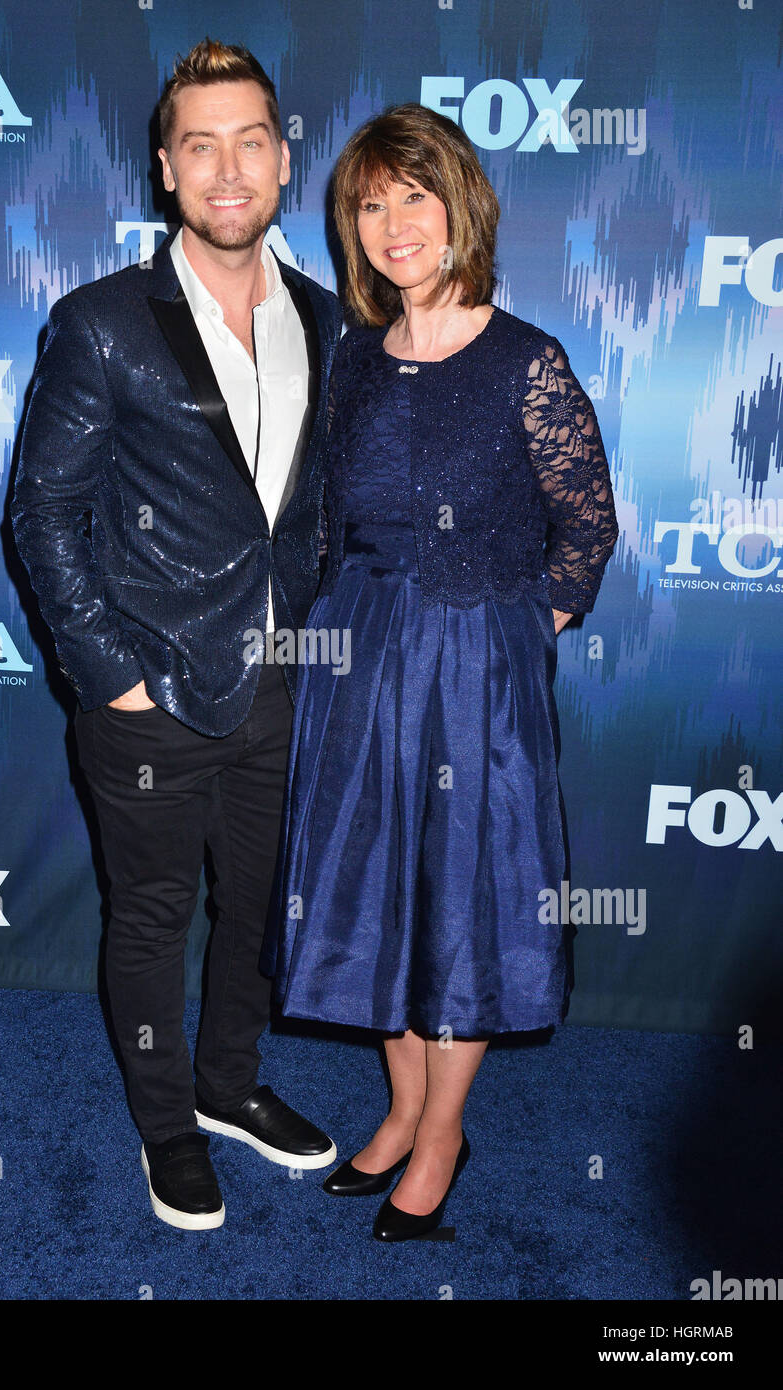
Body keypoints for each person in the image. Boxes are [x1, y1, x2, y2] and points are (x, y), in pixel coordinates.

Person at [261, 102, 619, 1241]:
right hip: (360, 657)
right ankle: (401, 1106)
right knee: (373, 886)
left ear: (458, 204)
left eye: (412, 195)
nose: (390, 222)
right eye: (368, 202)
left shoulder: (527, 362)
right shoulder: (356, 356)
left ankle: (443, 1133)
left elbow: (587, 525)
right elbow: (326, 519)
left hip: (473, 667)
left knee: (462, 896)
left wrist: (520, 629)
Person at [11, 38, 343, 1232]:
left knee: (258, 908)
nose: (226, 167)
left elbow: (310, 504)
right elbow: (41, 514)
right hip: (149, 688)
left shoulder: (322, 315)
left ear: (280, 157)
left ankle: (225, 1085)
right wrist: (111, 678)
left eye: (249, 139)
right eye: (198, 144)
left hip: (279, 684)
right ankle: (165, 1125)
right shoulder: (101, 322)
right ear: (164, 169)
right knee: (151, 916)